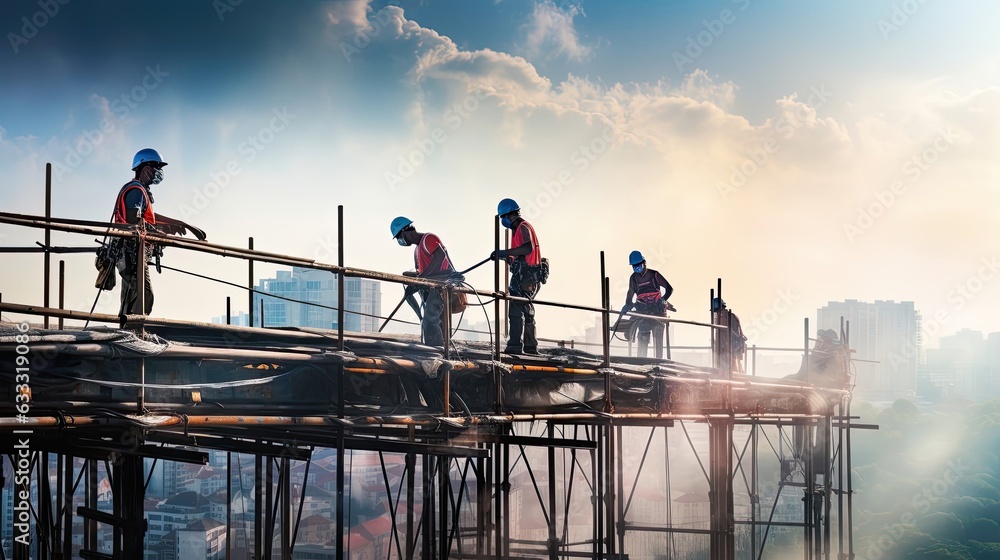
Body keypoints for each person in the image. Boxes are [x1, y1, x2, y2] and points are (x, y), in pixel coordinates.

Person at [110, 148, 205, 320]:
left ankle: (127, 330)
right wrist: (161, 232)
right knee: (144, 295)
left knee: (131, 296)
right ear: (146, 169)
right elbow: (134, 220)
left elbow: (149, 218)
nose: (158, 173)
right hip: (130, 253)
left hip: (130, 253)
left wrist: (178, 224)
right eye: (156, 169)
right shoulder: (136, 190)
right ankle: (134, 331)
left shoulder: (140, 191)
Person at [390, 216, 456, 347]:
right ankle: (436, 341)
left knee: (430, 320)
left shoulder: (428, 239)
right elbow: (421, 271)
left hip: (440, 285)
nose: (400, 241)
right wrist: (414, 279)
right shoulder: (417, 249)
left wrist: (422, 278)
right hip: (429, 286)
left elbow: (440, 257)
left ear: (406, 232)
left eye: (399, 237)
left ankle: (437, 350)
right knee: (429, 318)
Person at [490, 198, 543, 355]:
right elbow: (518, 254)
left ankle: (515, 346)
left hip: (526, 275)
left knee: (516, 311)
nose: (502, 221)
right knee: (526, 310)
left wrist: (504, 252)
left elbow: (527, 248)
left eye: (502, 217)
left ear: (509, 215)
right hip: (526, 274)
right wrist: (505, 257)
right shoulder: (517, 231)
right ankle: (530, 347)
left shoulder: (523, 227)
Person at [620, 250, 674, 359]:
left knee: (658, 335)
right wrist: (628, 304)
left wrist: (662, 300)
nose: (637, 268)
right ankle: (641, 362)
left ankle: (659, 362)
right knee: (643, 336)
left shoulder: (654, 275)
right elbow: (630, 293)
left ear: (644, 263)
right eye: (634, 267)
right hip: (643, 314)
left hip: (657, 313)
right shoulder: (634, 278)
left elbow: (669, 289)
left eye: (638, 266)